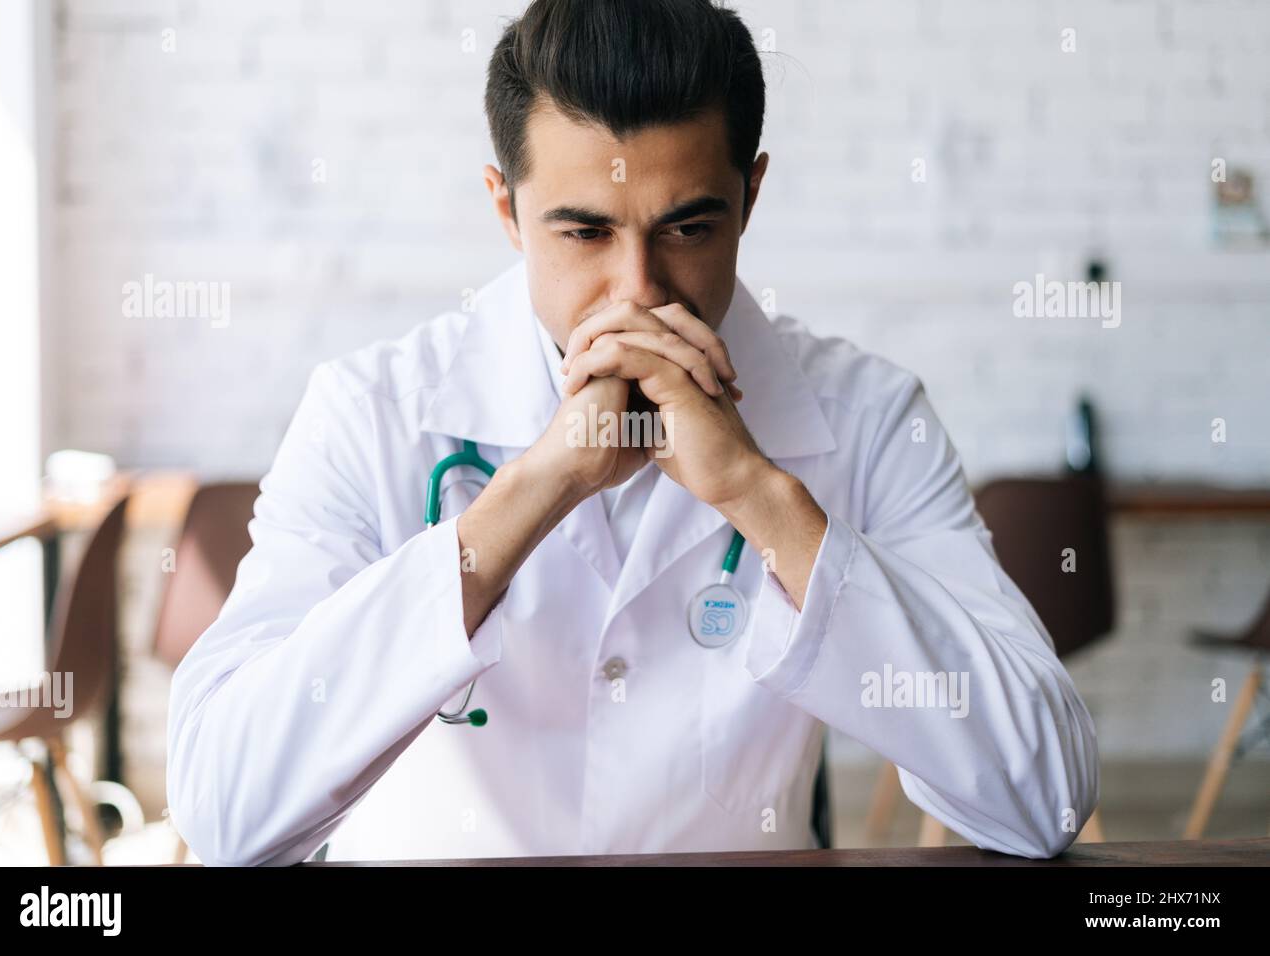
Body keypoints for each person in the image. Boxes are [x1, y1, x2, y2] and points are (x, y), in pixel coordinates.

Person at [166, 0, 1098, 865]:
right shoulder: (369, 414)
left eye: (689, 228)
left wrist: (761, 498)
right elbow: (226, 812)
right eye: (583, 234)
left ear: (751, 198)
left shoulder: (870, 415)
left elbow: (1045, 798)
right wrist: (537, 489)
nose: (639, 291)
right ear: (506, 209)